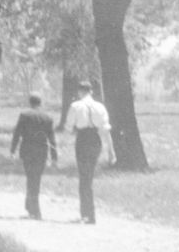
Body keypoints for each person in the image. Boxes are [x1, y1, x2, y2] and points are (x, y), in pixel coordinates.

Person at [69, 80, 115, 224]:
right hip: (95, 140)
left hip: (82, 139)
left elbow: (69, 126)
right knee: (89, 175)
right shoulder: (100, 107)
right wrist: (111, 151)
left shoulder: (75, 106)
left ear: (79, 92)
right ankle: (89, 213)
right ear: (91, 91)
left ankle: (87, 213)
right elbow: (106, 131)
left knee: (84, 178)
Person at [10, 94, 58, 219]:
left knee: (31, 178)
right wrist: (54, 157)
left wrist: (13, 150)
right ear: (40, 103)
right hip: (42, 151)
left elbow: (17, 133)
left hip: (27, 150)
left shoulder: (24, 115)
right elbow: (52, 138)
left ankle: (34, 210)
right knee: (36, 179)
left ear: (30, 103)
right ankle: (31, 207)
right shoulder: (48, 117)